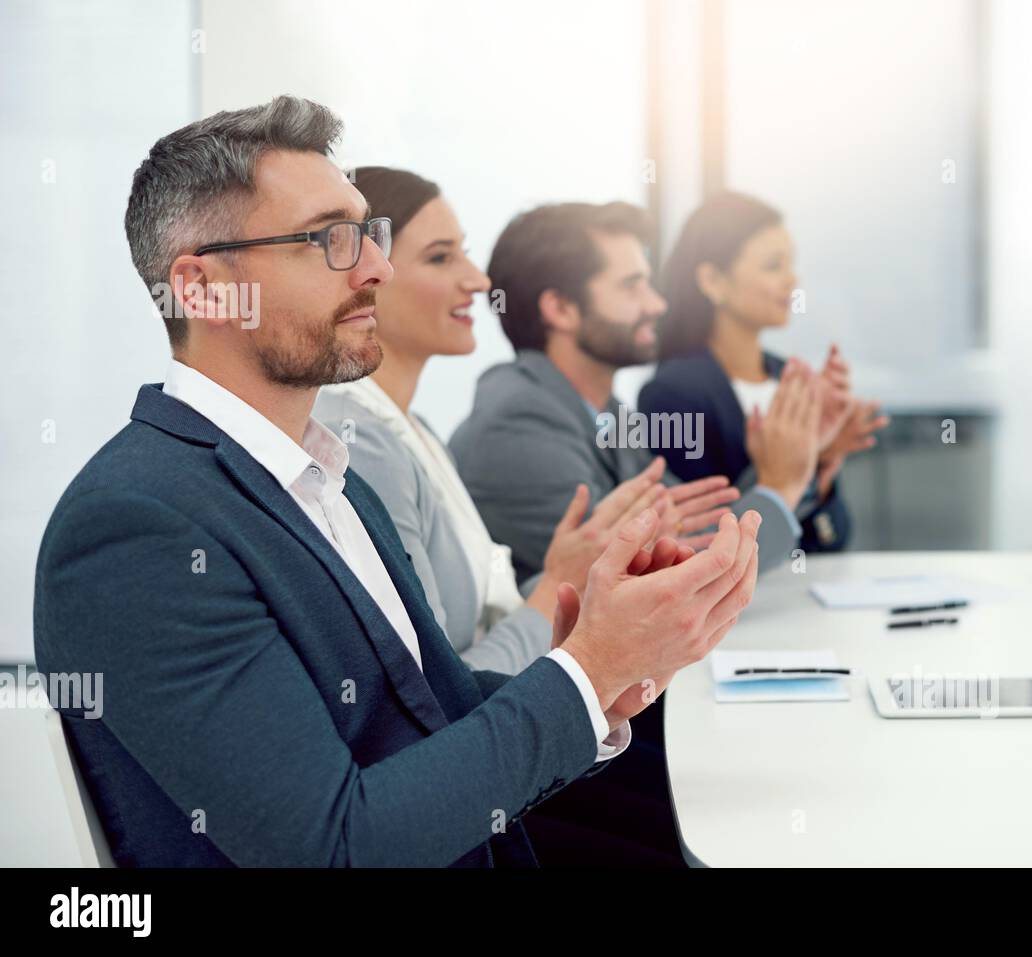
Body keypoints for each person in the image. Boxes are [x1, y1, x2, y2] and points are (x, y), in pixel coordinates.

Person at [32, 96, 760, 867]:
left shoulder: (331, 480)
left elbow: (429, 713)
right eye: (331, 240)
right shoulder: (134, 527)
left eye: (368, 234)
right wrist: (591, 666)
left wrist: (610, 667)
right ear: (204, 288)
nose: (376, 267)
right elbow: (332, 848)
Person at [314, 168, 737, 676]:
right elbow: (432, 692)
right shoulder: (369, 443)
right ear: (367, 273)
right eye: (441, 257)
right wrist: (562, 581)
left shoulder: (417, 430)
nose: (478, 280)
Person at [450, 201, 820, 584]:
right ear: (560, 308)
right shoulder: (519, 428)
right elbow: (655, 581)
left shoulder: (607, 413)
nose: (656, 304)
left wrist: (790, 465)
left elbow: (699, 529)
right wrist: (779, 486)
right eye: (631, 286)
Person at [640, 191, 889, 552]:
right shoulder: (672, 394)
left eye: (791, 265)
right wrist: (786, 474)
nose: (793, 281)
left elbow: (829, 540)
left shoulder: (790, 378)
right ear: (713, 281)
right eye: (774, 266)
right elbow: (695, 543)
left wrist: (820, 462)